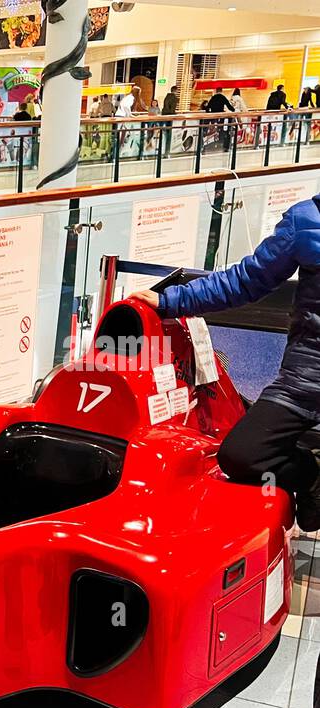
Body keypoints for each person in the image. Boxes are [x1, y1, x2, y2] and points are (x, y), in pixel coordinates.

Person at [133, 192, 320, 529]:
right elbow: (246, 280)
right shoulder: (306, 220)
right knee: (242, 457)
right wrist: (171, 300)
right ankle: (313, 476)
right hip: (306, 377)